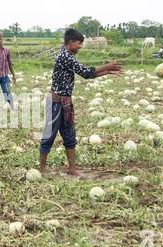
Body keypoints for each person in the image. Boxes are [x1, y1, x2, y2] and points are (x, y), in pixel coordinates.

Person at [38, 28, 121, 176]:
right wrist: (107, 66)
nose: (80, 47)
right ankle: (42, 170)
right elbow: (86, 72)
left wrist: (107, 71)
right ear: (70, 43)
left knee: (69, 135)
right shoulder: (65, 57)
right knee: (49, 136)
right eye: (79, 43)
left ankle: (72, 169)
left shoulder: (69, 55)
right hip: (56, 104)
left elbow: (88, 75)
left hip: (66, 103)